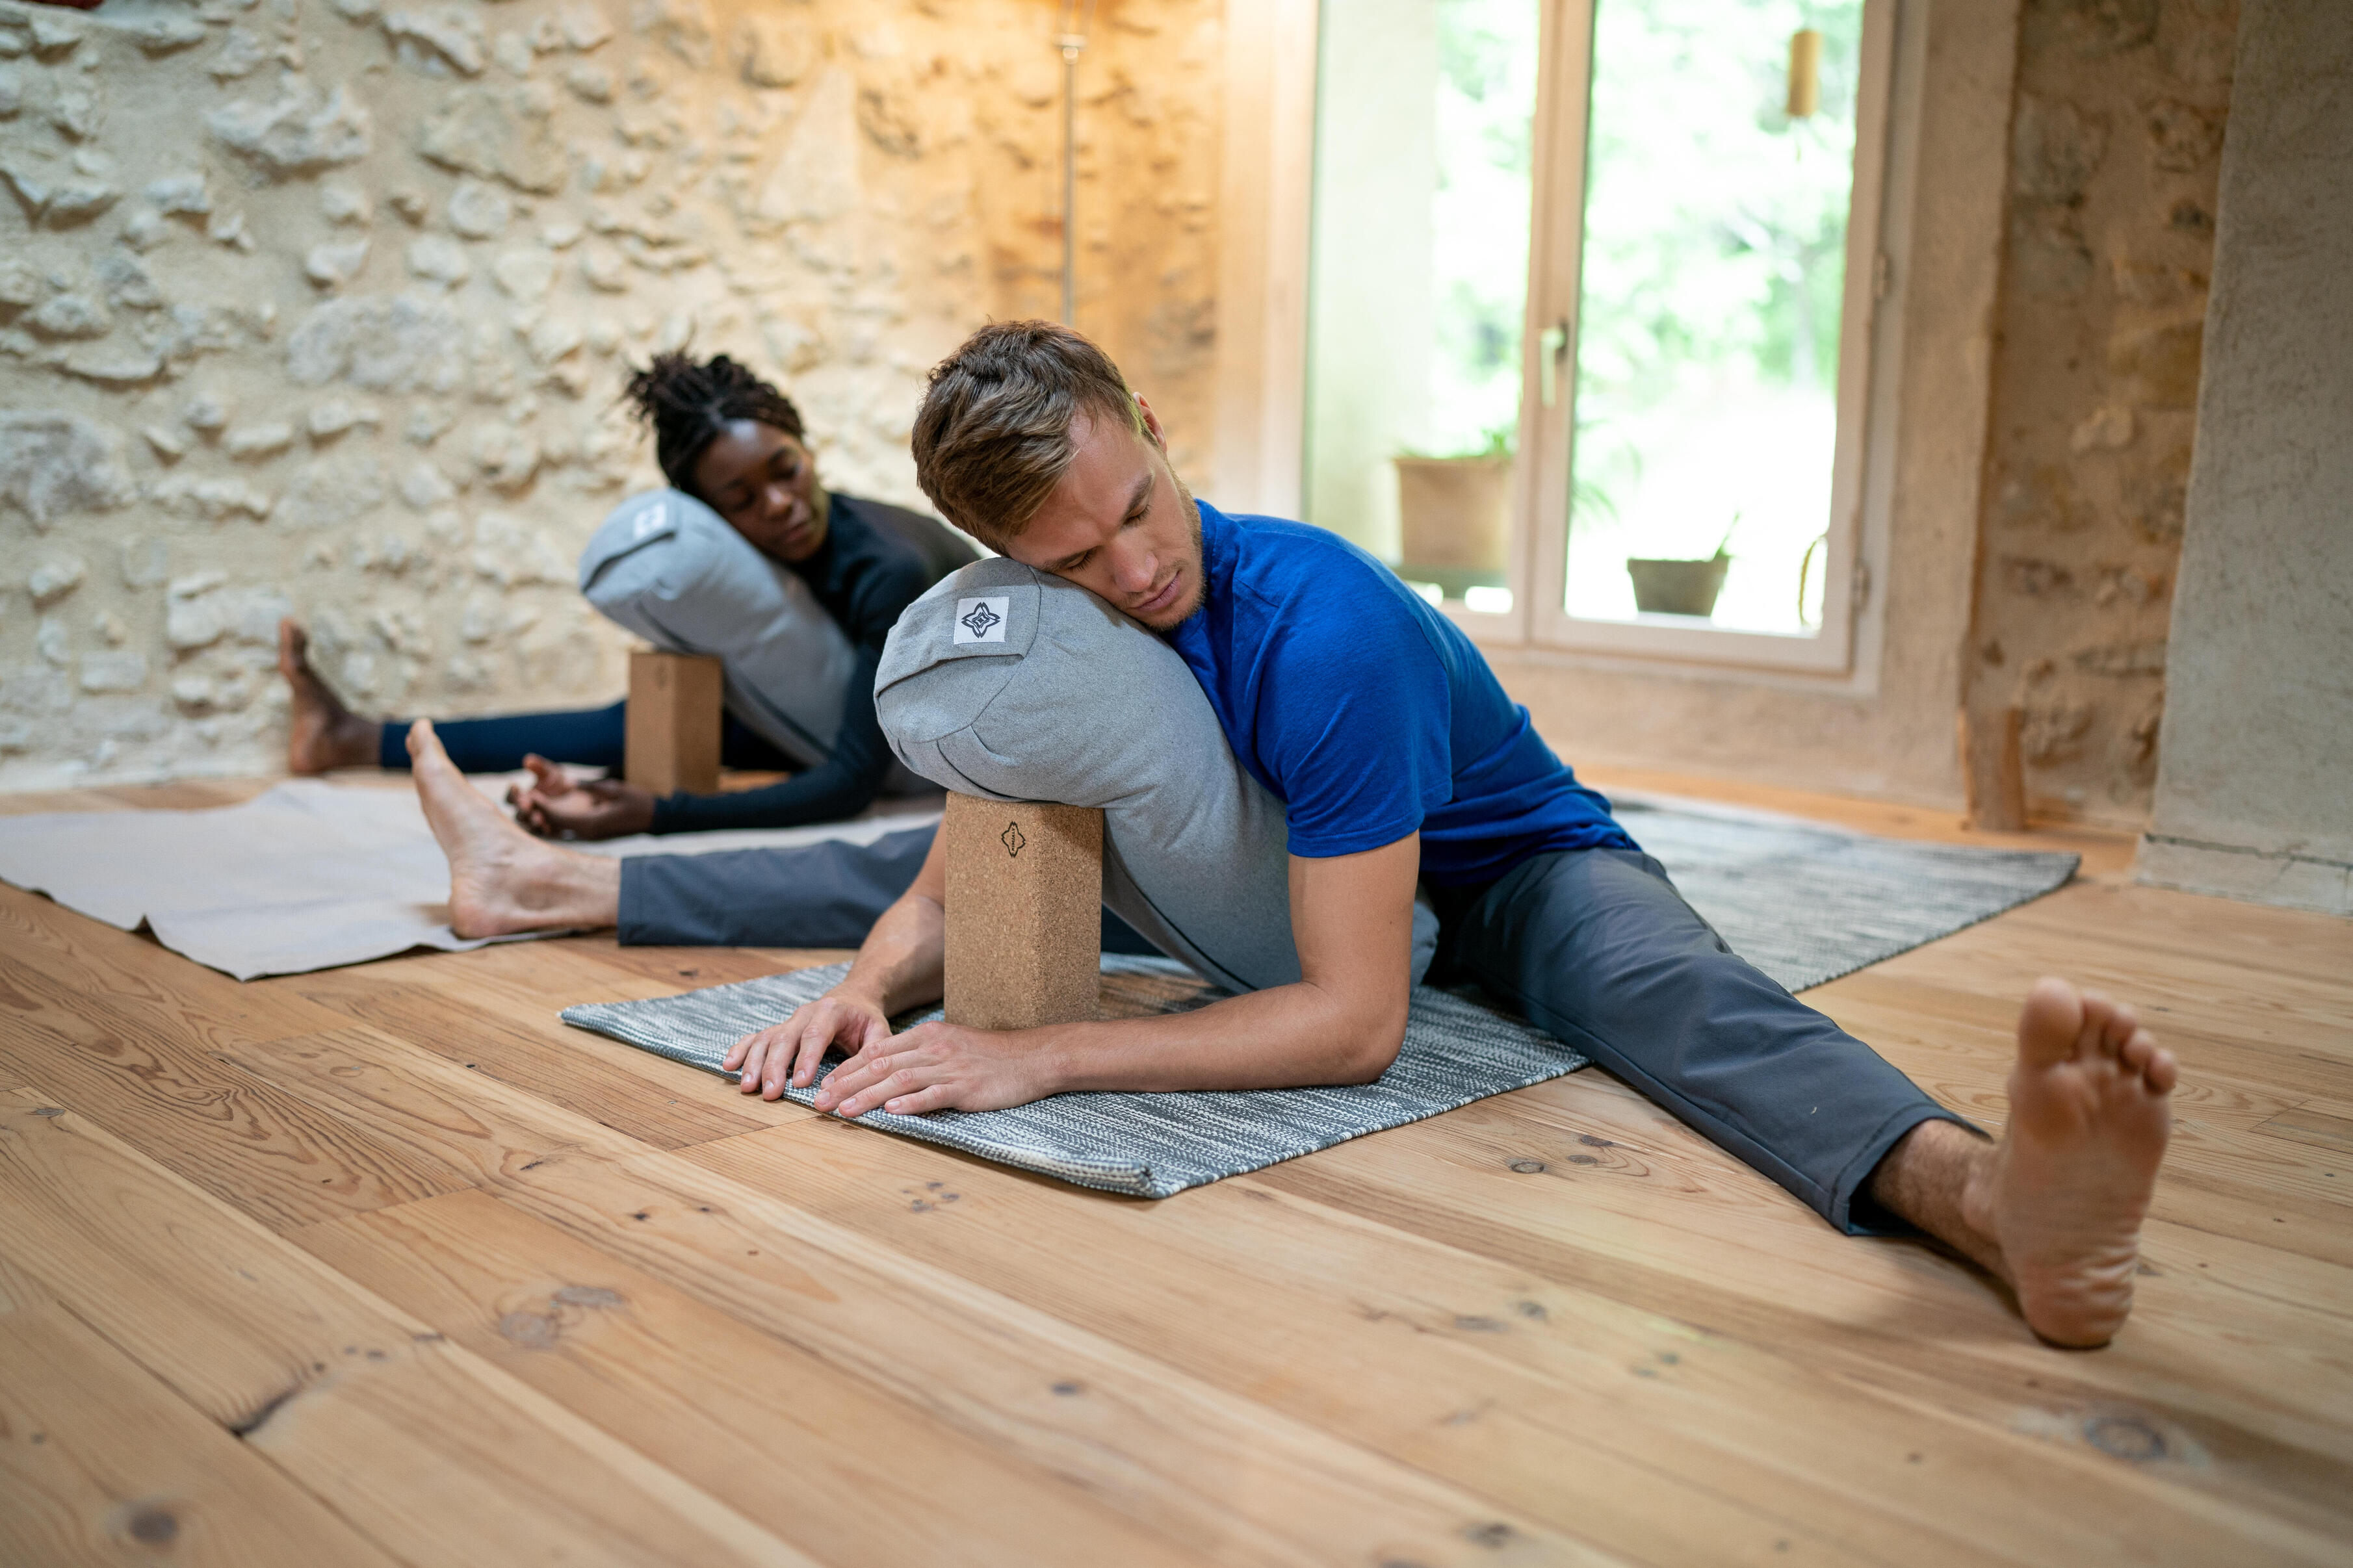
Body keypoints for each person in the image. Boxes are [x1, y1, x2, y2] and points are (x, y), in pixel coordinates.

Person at [712, 320, 2176, 1349]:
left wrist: (1039, 1056)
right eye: (1078, 559)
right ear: (1017, 565)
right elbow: (951, 874)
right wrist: (864, 988)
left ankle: (1991, 1200)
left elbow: (1357, 1026)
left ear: (1153, 427)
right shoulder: (1071, 649)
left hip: (1508, 873)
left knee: (1672, 994)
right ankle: (593, 885)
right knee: (923, 868)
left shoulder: (1324, 628)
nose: (1141, 568)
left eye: (1141, 509)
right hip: (1284, 860)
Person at [278, 352, 978, 838]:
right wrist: (614, 784)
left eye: (785, 469)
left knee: (645, 737)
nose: (779, 503)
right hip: (842, 711)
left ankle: (356, 739)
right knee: (634, 723)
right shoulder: (770, 558)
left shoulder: (887, 568)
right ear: (707, 513)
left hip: (934, 750)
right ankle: (355, 738)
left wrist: (655, 814)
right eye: (740, 498)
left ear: (806, 448)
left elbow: (850, 784)